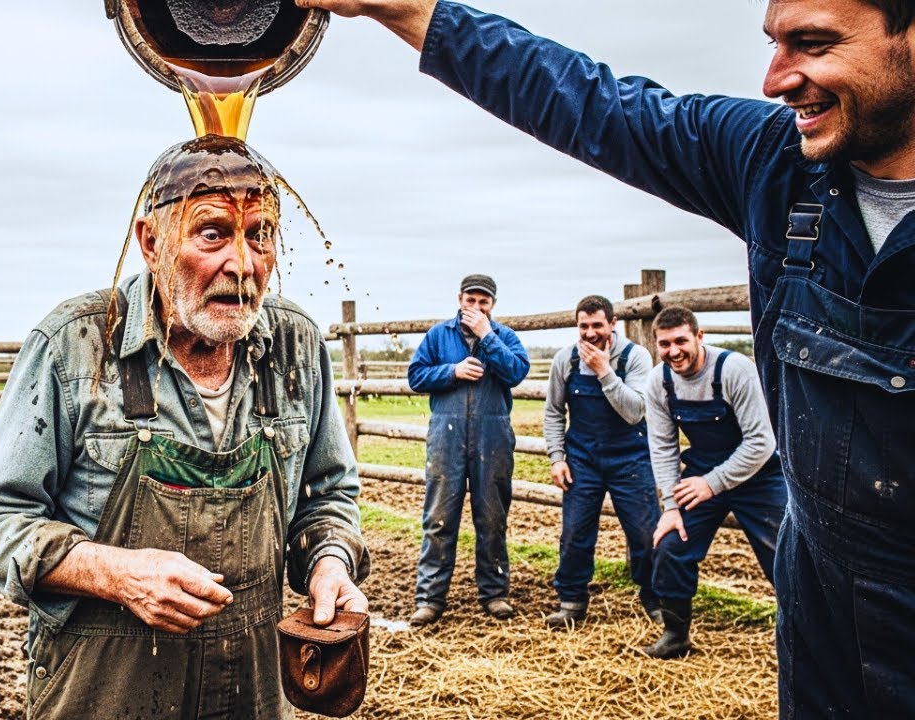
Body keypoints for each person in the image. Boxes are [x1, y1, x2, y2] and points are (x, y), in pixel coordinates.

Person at [299, 0, 915, 712]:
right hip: (820, 614)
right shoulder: (774, 164)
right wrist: (410, 11)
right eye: (774, 43)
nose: (776, 78)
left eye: (813, 44)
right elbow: (595, 104)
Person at [0, 135, 370, 718]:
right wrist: (117, 573)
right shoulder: (76, 345)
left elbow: (329, 495)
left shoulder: (296, 345)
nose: (243, 266)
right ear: (151, 242)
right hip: (104, 694)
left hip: (252, 693)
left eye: (261, 235)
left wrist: (329, 564)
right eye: (213, 234)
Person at [642, 306, 786, 658]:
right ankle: (676, 635)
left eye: (681, 341)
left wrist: (713, 483)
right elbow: (662, 447)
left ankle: (804, 633)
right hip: (702, 471)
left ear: (699, 336)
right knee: (671, 546)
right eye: (664, 344)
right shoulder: (658, 381)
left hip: (759, 476)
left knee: (786, 552)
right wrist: (671, 507)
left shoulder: (734, 370)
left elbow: (761, 442)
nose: (673, 351)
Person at [406, 273, 529, 626]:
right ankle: (429, 599)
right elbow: (416, 376)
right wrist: (452, 371)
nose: (476, 306)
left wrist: (487, 337)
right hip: (447, 435)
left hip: (493, 436)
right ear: (460, 298)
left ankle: (494, 594)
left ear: (492, 305)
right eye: (471, 300)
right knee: (439, 518)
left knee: (492, 518)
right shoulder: (438, 336)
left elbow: (517, 372)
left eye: (484, 301)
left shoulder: (503, 338)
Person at [542, 295, 659, 630]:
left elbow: (635, 411)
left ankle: (655, 598)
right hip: (582, 458)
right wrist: (557, 458)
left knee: (645, 531)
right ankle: (572, 601)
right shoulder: (565, 359)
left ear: (612, 324)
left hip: (630, 457)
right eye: (584, 326)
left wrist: (604, 371)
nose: (590, 333)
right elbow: (553, 412)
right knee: (575, 530)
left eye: (597, 325)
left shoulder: (636, 357)